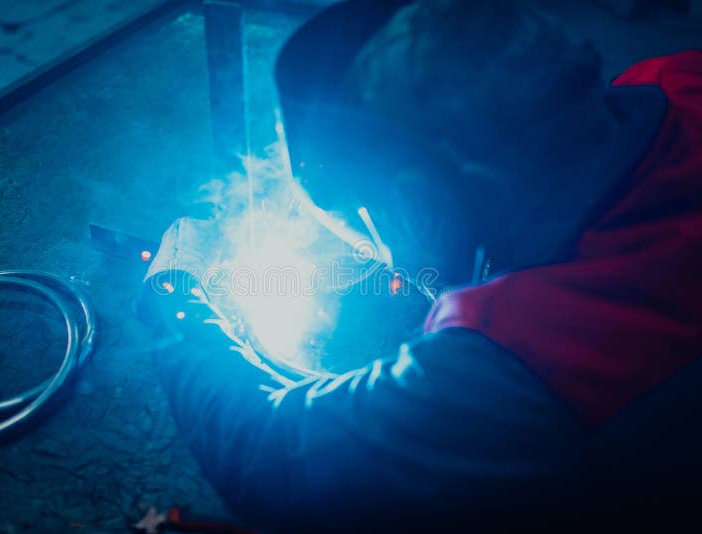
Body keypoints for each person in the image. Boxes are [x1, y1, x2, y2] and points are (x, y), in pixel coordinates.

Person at [143, 0, 702, 530]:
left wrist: (174, 290)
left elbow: (269, 455)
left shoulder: (518, 362)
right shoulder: (676, 75)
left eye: (365, 231)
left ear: (415, 202)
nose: (368, 246)